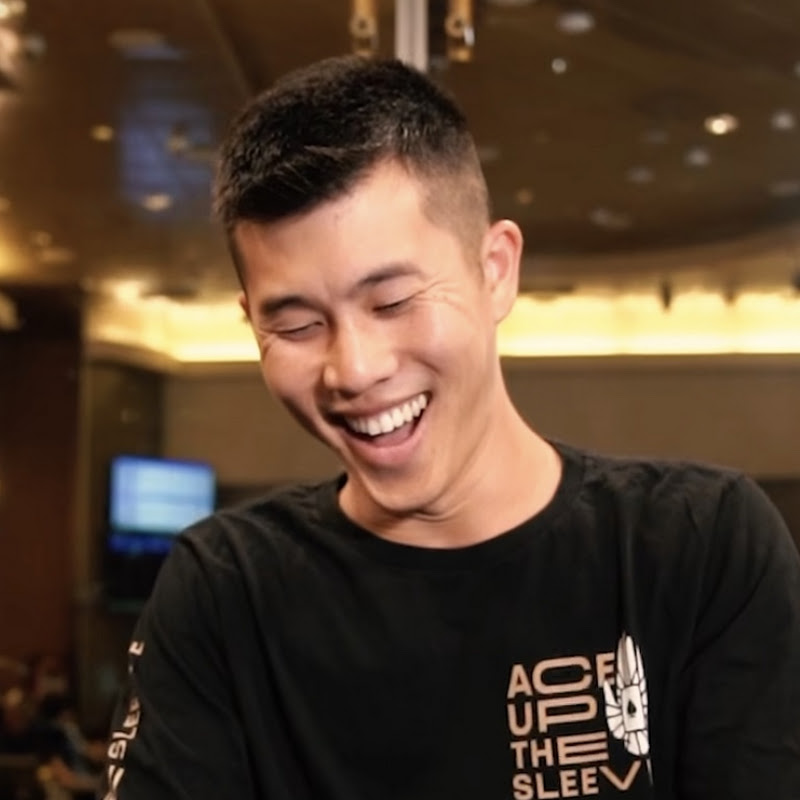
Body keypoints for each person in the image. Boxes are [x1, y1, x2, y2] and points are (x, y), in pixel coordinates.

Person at [102, 55, 800, 799]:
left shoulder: (699, 548)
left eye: (393, 302)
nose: (354, 370)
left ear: (495, 270)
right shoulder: (225, 591)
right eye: (299, 325)